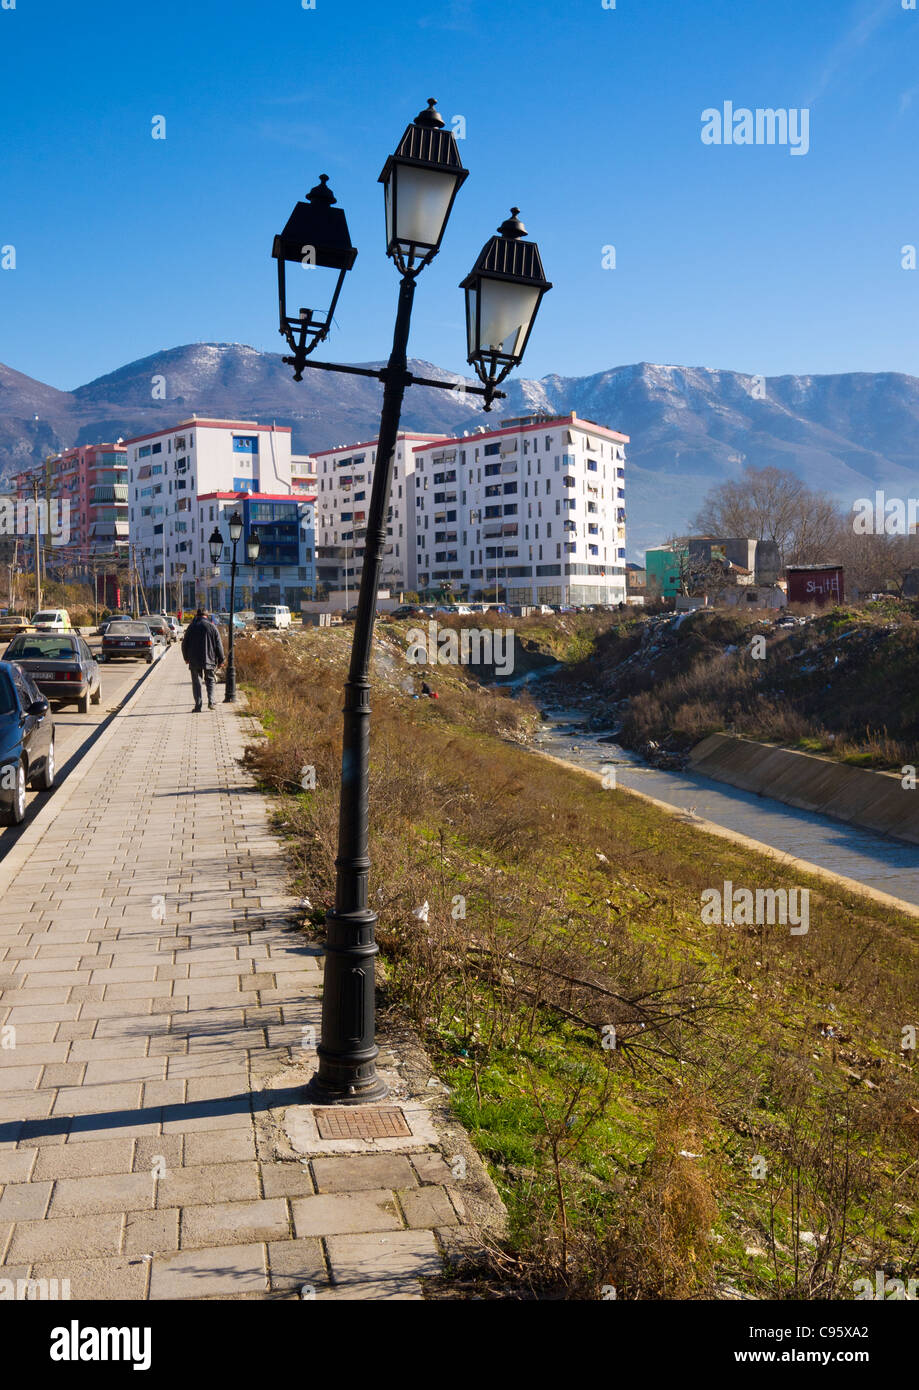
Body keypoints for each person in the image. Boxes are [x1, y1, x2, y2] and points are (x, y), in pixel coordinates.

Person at [181, 607, 225, 712]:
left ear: (197, 616)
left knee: (196, 683)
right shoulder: (212, 627)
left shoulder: (191, 627)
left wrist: (186, 658)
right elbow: (219, 645)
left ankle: (198, 706)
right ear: (207, 616)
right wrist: (221, 660)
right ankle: (211, 702)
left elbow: (184, 644)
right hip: (209, 658)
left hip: (194, 659)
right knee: (210, 681)